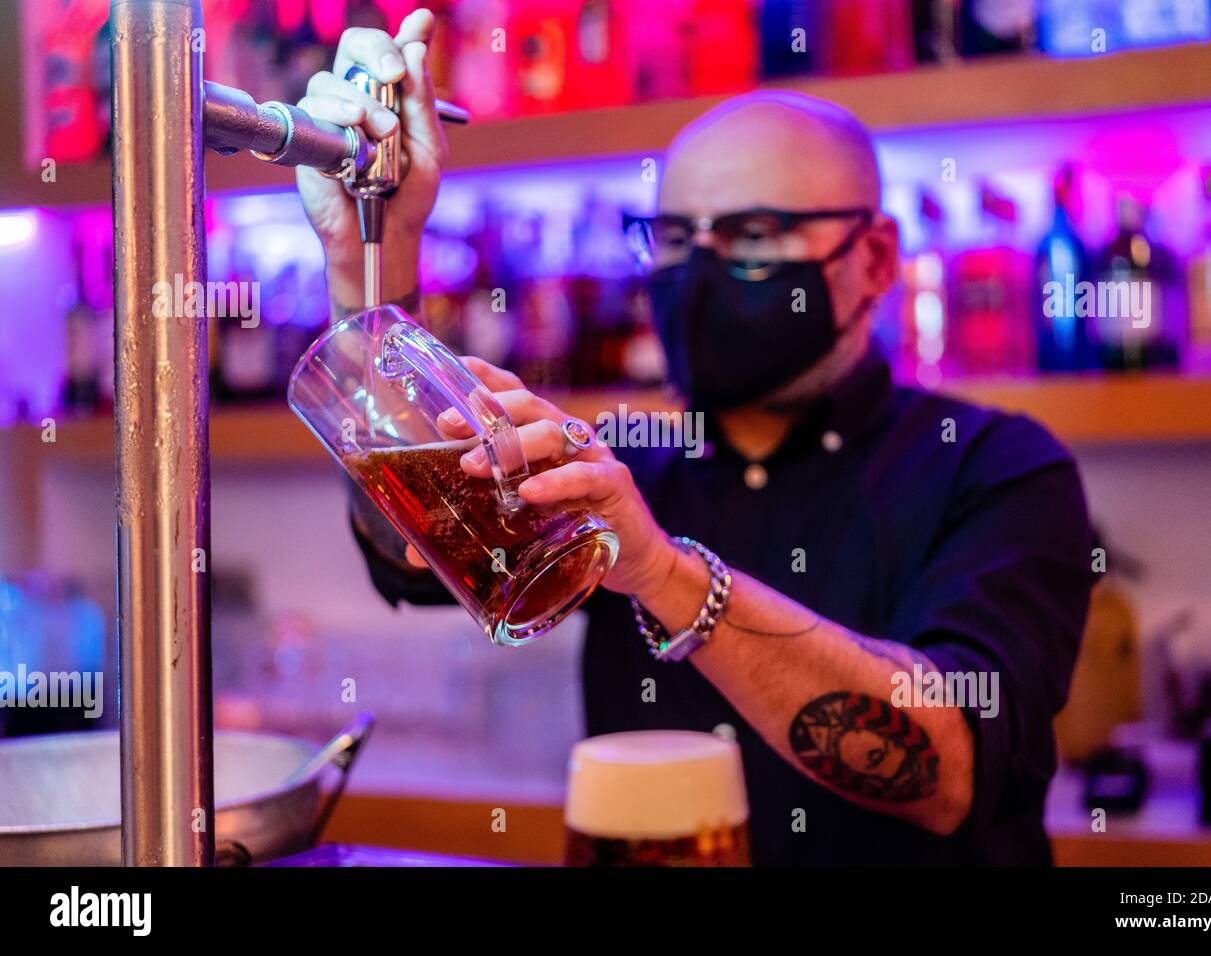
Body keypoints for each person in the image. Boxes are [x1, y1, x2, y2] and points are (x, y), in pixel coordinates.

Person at [298, 11, 1096, 865]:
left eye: (753, 236)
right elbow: (410, 545)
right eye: (676, 239)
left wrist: (662, 572)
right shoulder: (625, 461)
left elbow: (947, 771)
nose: (703, 271)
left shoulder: (999, 470)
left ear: (875, 259)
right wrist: (371, 261)